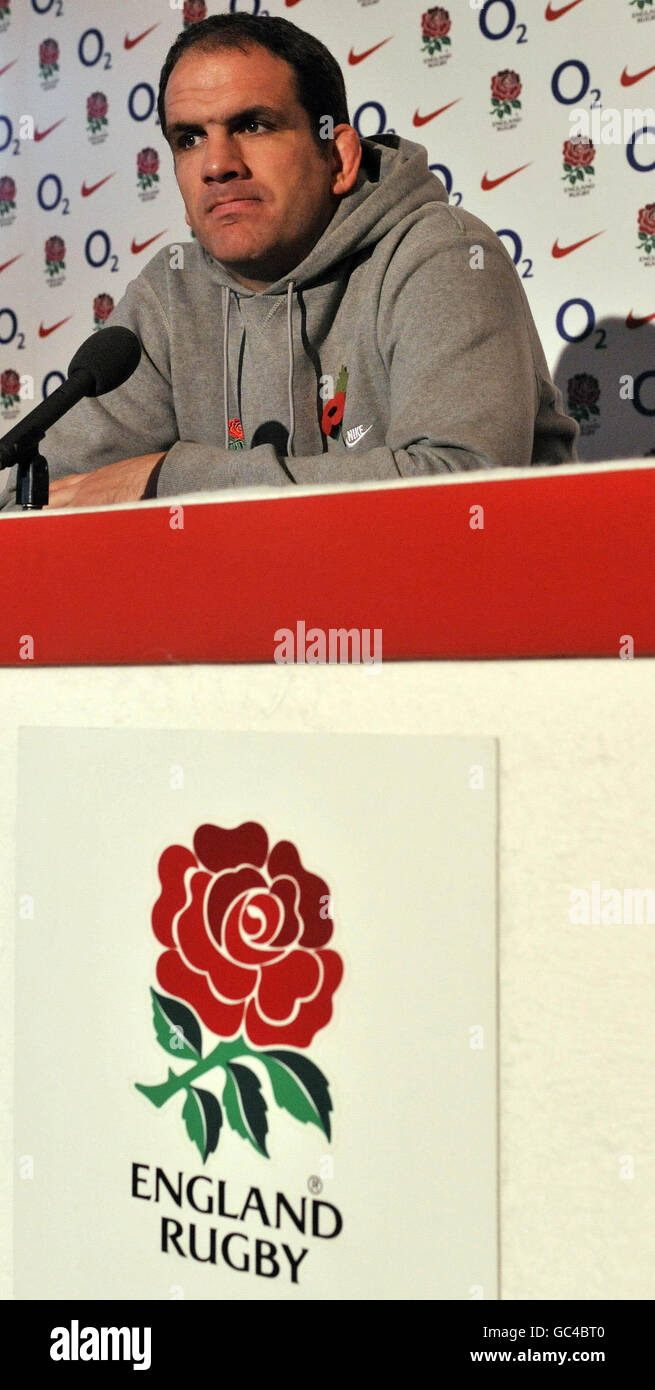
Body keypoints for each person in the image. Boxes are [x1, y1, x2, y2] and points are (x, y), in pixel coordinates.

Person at [4, 12, 578, 511]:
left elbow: (460, 491)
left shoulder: (443, 257)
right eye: (189, 139)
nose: (216, 164)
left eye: (252, 126)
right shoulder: (171, 293)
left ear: (340, 156)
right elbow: (46, 489)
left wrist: (167, 481)